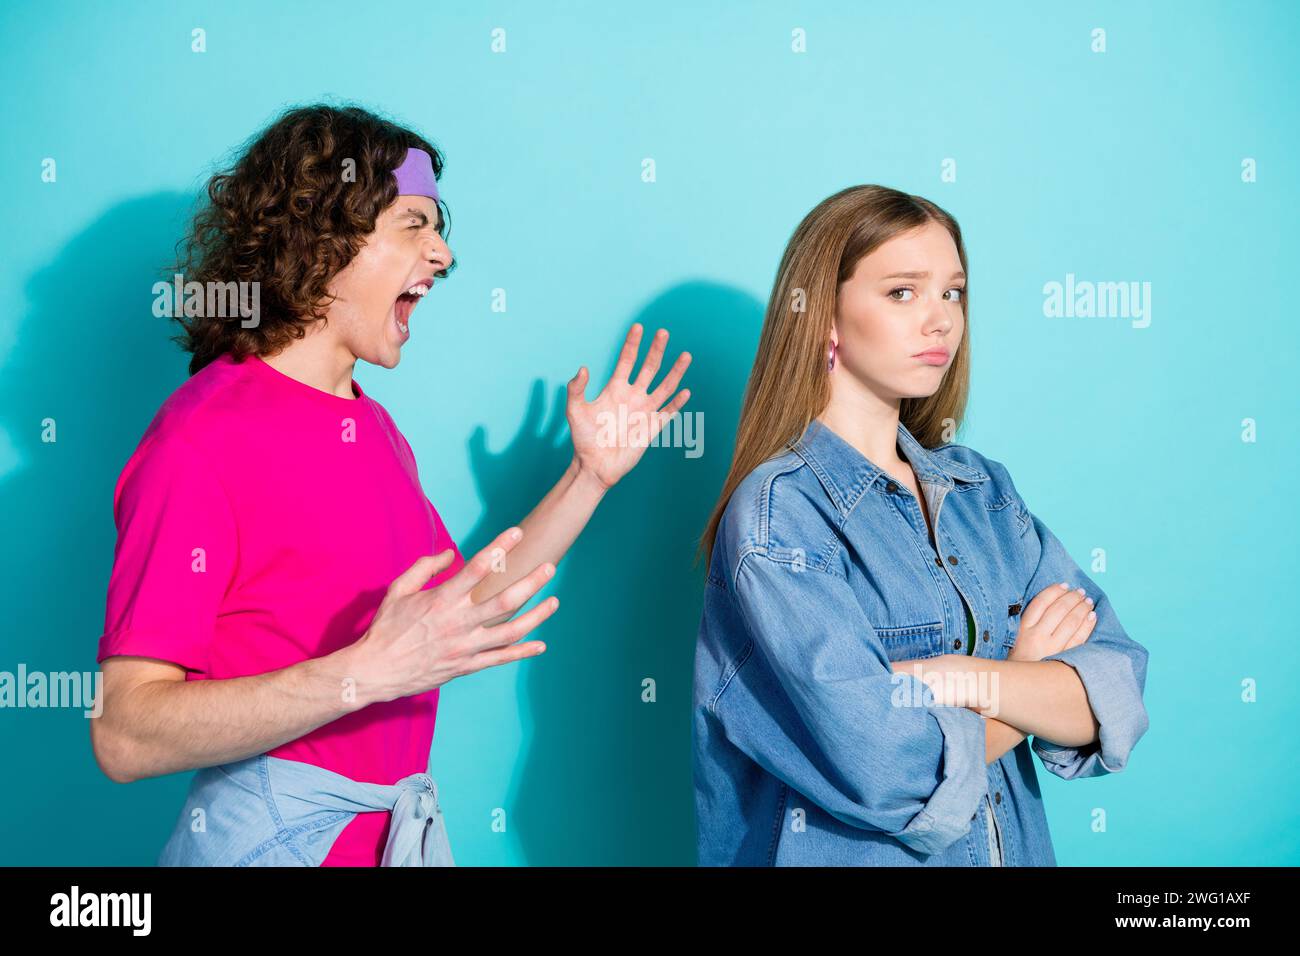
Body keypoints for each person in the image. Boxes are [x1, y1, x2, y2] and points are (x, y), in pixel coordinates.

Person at [92, 103, 691, 866]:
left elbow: (458, 612)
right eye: (415, 223)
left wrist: (589, 476)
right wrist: (359, 676)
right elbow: (125, 732)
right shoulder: (203, 436)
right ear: (321, 234)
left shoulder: (369, 429)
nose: (443, 255)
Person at [692, 185, 1150, 866]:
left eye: (953, 293)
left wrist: (962, 676)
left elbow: (1114, 692)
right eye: (903, 292)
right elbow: (887, 769)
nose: (939, 320)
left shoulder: (985, 495)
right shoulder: (778, 516)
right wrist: (1025, 679)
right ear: (826, 316)